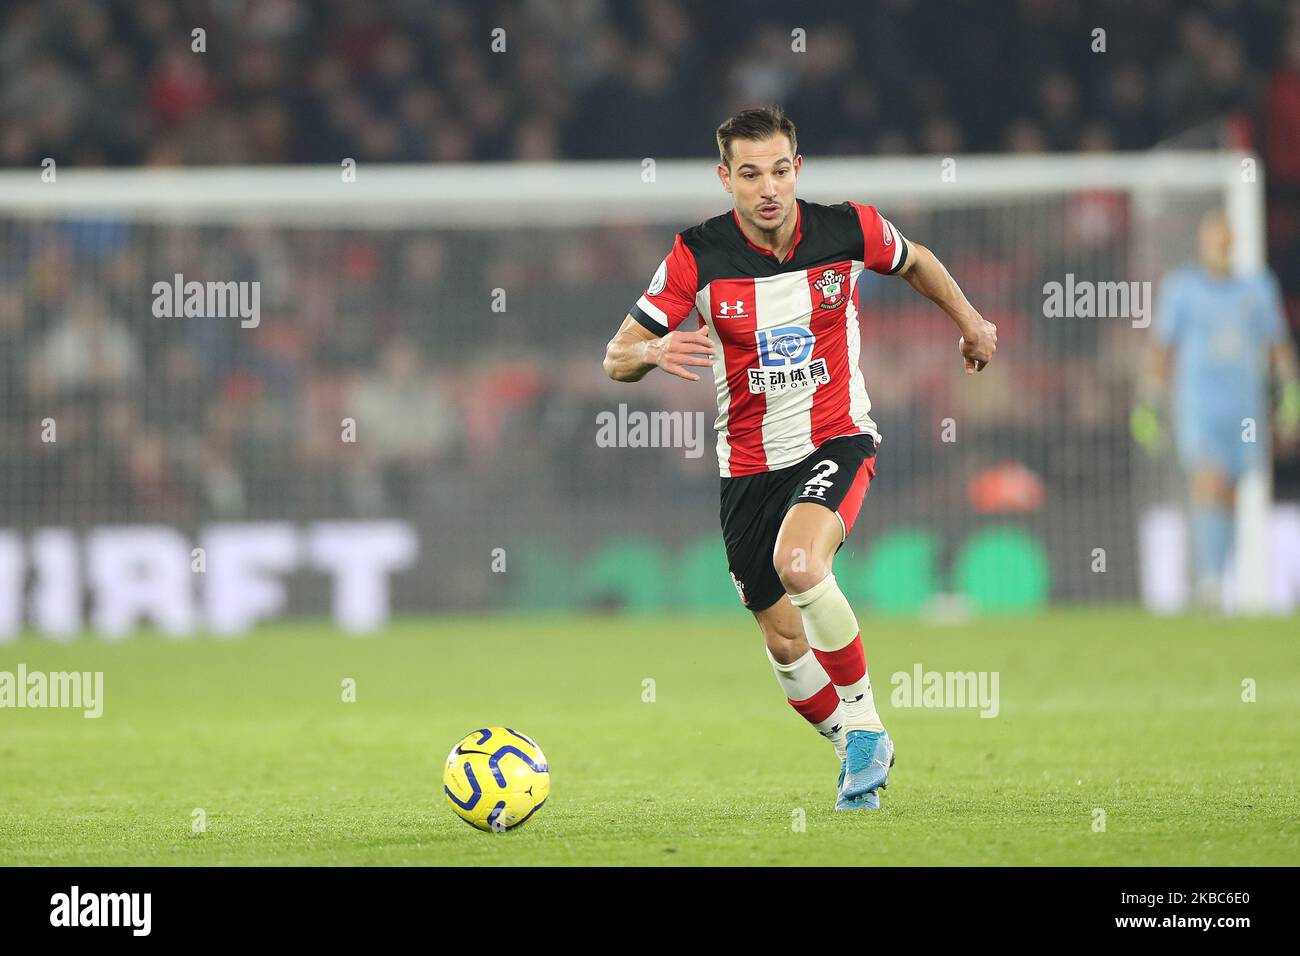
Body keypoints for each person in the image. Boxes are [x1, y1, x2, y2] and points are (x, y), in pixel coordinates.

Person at [602, 106, 997, 810]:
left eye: (780, 171)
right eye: (750, 174)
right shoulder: (695, 255)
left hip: (836, 436)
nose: (768, 189)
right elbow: (616, 356)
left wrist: (969, 320)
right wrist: (655, 350)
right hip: (749, 468)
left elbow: (917, 262)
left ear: (797, 170)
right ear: (726, 179)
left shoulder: (849, 227)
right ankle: (853, 748)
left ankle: (868, 725)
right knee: (785, 644)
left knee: (802, 564)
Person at [1134, 209, 1300, 609]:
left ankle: (1220, 578)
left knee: (1231, 492)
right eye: (1213, 239)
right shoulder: (1183, 289)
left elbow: (1277, 343)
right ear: (1202, 243)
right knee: (1208, 481)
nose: (1219, 246)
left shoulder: (1258, 287)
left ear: (1234, 242)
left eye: (1225, 239)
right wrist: (1150, 401)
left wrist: (1289, 393)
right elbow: (1162, 347)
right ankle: (1209, 582)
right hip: (1199, 406)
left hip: (1244, 408)